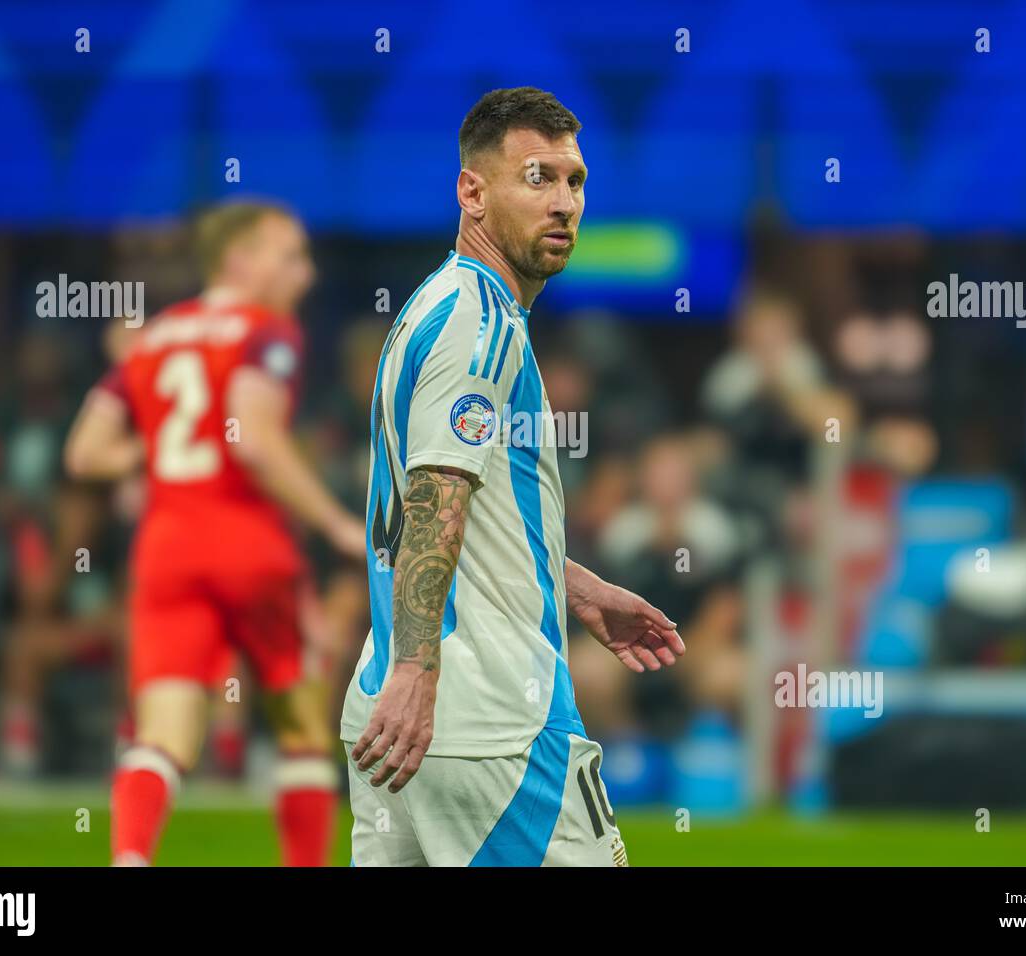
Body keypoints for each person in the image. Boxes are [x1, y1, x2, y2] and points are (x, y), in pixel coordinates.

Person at [342, 87, 685, 867]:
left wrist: (573, 585)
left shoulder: (432, 309)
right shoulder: (482, 322)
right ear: (473, 191)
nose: (564, 202)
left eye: (575, 181)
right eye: (537, 178)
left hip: (401, 720)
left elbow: (454, 507)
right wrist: (418, 671)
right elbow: (434, 499)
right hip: (491, 723)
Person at [64, 199, 364, 866]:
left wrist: (157, 456)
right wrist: (338, 523)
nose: (304, 274)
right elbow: (255, 442)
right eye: (289, 256)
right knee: (303, 727)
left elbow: (83, 453)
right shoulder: (267, 331)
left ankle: (130, 859)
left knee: (164, 733)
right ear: (240, 259)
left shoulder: (157, 337)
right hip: (248, 543)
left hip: (168, 548)